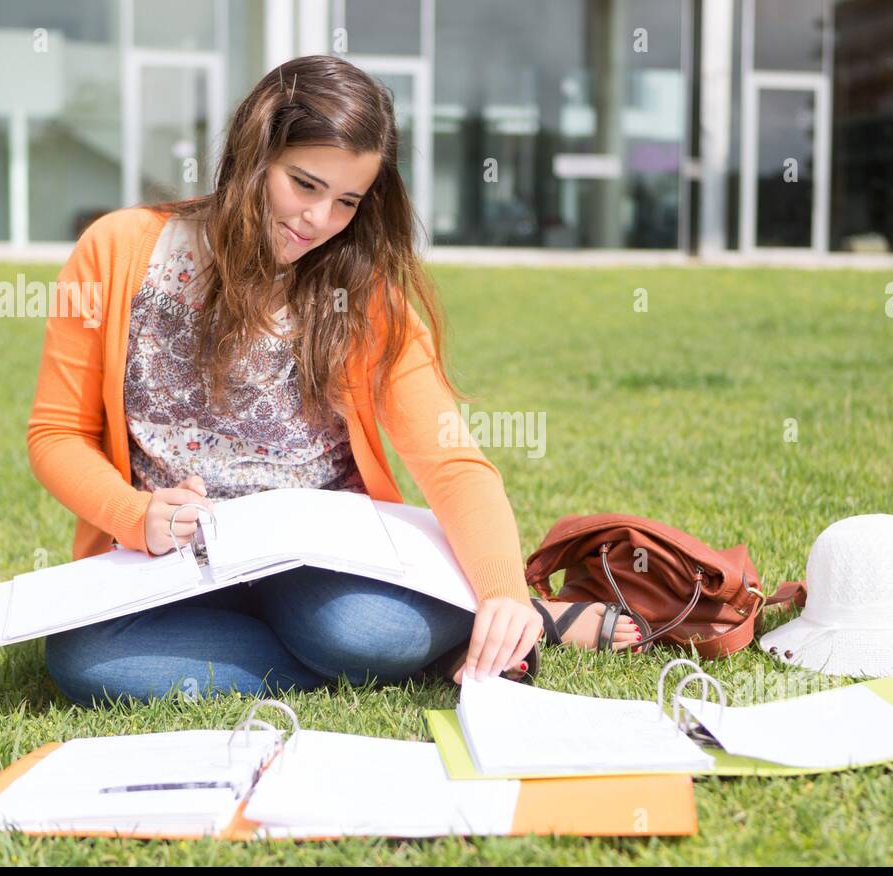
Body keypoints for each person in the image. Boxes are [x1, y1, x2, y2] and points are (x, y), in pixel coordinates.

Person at [31, 55, 641, 707]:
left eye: (347, 201)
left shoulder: (362, 292)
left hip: (322, 558)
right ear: (253, 154)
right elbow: (58, 433)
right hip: (173, 554)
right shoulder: (119, 249)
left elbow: (451, 462)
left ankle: (493, 623)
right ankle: (434, 644)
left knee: (366, 635)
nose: (319, 220)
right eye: (304, 184)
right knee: (86, 660)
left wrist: (502, 591)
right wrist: (135, 515)